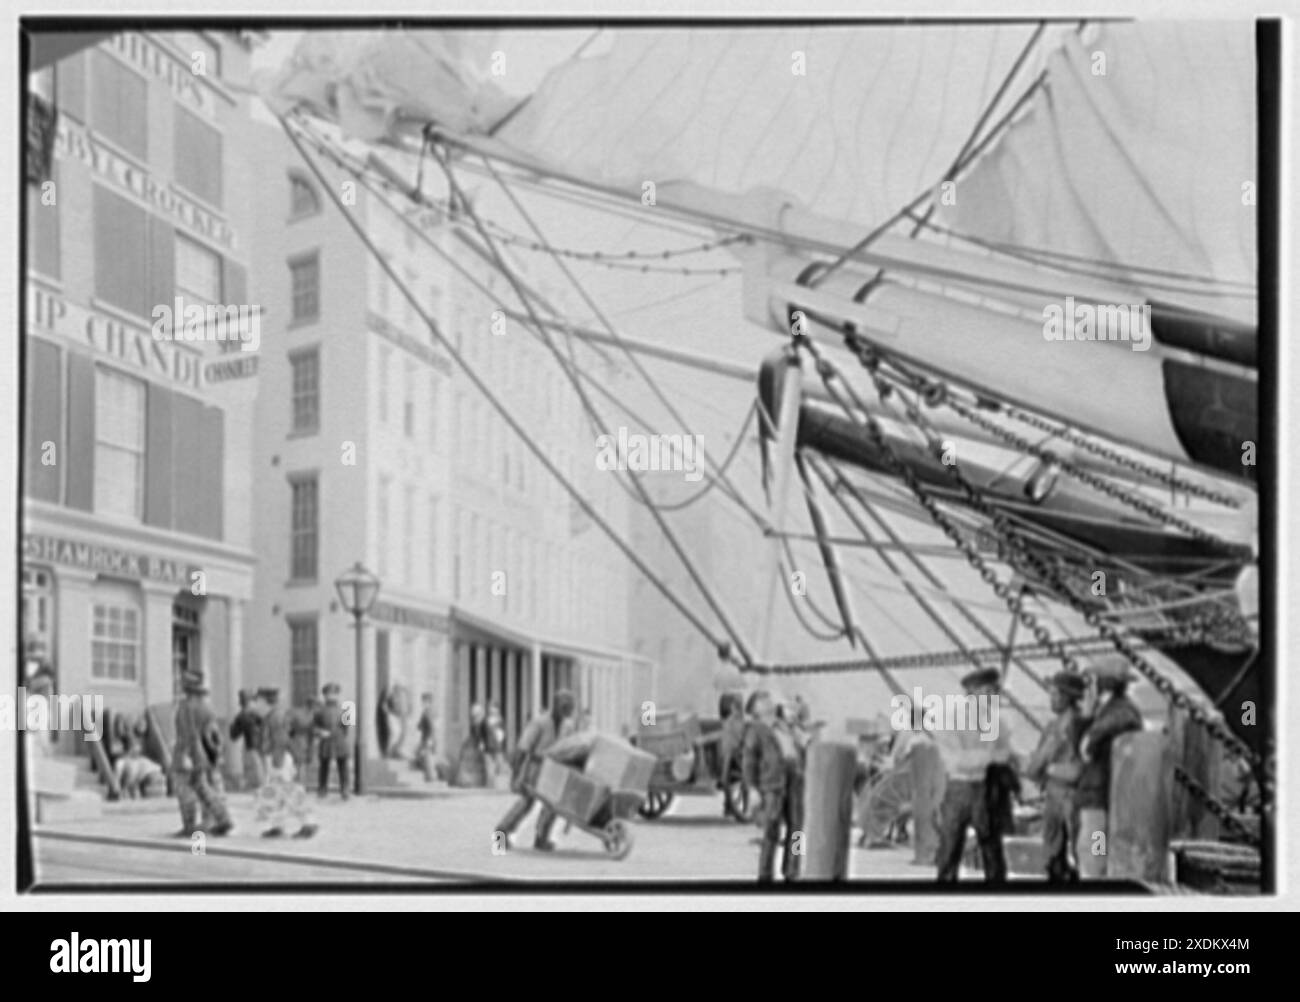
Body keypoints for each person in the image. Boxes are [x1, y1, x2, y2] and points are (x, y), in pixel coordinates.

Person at [934, 667, 1015, 884]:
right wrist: (988, 757)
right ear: (973, 691)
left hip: (983, 788)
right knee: (950, 847)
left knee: (991, 848)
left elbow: (1004, 754)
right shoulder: (951, 718)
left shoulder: (997, 722)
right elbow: (955, 760)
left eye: (995, 692)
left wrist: (985, 758)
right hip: (959, 787)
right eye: (988, 691)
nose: (993, 696)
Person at [1024, 671, 1087, 883]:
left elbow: (1036, 766)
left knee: (1093, 849)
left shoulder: (1077, 726)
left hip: (1080, 800)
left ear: (1068, 696)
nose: (1051, 698)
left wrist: (1048, 768)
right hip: (1060, 796)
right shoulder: (1056, 726)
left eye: (1055, 694)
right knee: (1056, 851)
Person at [495, 690, 577, 851]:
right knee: (527, 802)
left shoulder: (568, 725)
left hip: (555, 769)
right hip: (535, 767)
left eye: (568, 711)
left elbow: (571, 747)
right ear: (555, 707)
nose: (565, 714)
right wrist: (516, 773)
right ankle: (500, 835)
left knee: (553, 805)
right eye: (563, 709)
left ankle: (541, 838)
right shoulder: (539, 723)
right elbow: (523, 748)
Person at [1076, 661, 1144, 842]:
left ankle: (1096, 870)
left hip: (1100, 797)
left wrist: (1090, 734)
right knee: (1090, 846)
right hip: (1095, 796)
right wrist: (1086, 718)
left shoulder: (1121, 712)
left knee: (1095, 847)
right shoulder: (1104, 712)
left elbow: (1086, 748)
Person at [742, 691, 801, 883]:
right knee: (771, 830)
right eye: (765, 702)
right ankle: (765, 874)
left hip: (794, 778)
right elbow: (749, 761)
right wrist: (751, 789)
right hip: (772, 783)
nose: (770, 703)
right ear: (756, 710)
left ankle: (793, 870)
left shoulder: (783, 724)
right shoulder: (755, 730)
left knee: (797, 829)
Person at [171, 671, 233, 836]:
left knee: (185, 790)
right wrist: (214, 755)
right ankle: (222, 817)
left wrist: (187, 756)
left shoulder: (185, 707)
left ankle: (189, 825)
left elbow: (188, 734)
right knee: (204, 789)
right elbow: (214, 735)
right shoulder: (208, 708)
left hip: (188, 754)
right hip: (206, 755)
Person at [256, 687, 317, 839]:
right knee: (275, 794)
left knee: (291, 792)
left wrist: (277, 761)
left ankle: (308, 823)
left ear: (265, 701)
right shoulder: (275, 714)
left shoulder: (275, 717)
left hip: (279, 758)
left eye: (258, 701)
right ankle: (277, 826)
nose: (257, 704)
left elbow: (280, 740)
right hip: (279, 757)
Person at [313, 682, 353, 800]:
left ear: (337, 695)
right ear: (324, 695)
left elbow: (347, 728)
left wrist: (339, 735)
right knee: (324, 766)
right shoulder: (319, 710)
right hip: (326, 741)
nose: (331, 696)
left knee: (343, 766)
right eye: (328, 694)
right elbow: (314, 726)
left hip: (340, 740)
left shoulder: (346, 709)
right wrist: (320, 732)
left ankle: (345, 790)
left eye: (334, 694)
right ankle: (322, 789)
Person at [229, 689, 266, 792]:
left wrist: (232, 725)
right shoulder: (258, 714)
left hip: (250, 748)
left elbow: (233, 735)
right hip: (260, 748)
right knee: (259, 775)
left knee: (254, 775)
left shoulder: (242, 716)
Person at [454, 704, 489, 787]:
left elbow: (484, 736)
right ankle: (465, 780)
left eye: (477, 715)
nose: (475, 718)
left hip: (479, 747)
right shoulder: (475, 725)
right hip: (473, 745)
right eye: (474, 716)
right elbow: (473, 735)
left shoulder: (484, 724)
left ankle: (472, 781)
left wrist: (482, 744)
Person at [414, 692, 438, 782]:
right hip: (426, 739)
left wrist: (430, 740)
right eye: (422, 701)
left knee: (428, 759)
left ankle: (432, 778)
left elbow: (431, 727)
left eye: (424, 701)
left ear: (429, 702)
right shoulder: (425, 712)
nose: (423, 703)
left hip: (428, 739)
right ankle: (429, 777)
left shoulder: (428, 712)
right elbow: (420, 725)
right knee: (423, 756)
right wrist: (419, 725)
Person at [485, 702, 507, 787]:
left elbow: (502, 734)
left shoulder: (500, 721)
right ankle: (491, 784)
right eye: (491, 710)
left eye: (495, 710)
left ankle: (498, 784)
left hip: (498, 747)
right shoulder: (487, 721)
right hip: (489, 746)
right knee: (490, 766)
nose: (493, 712)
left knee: (499, 764)